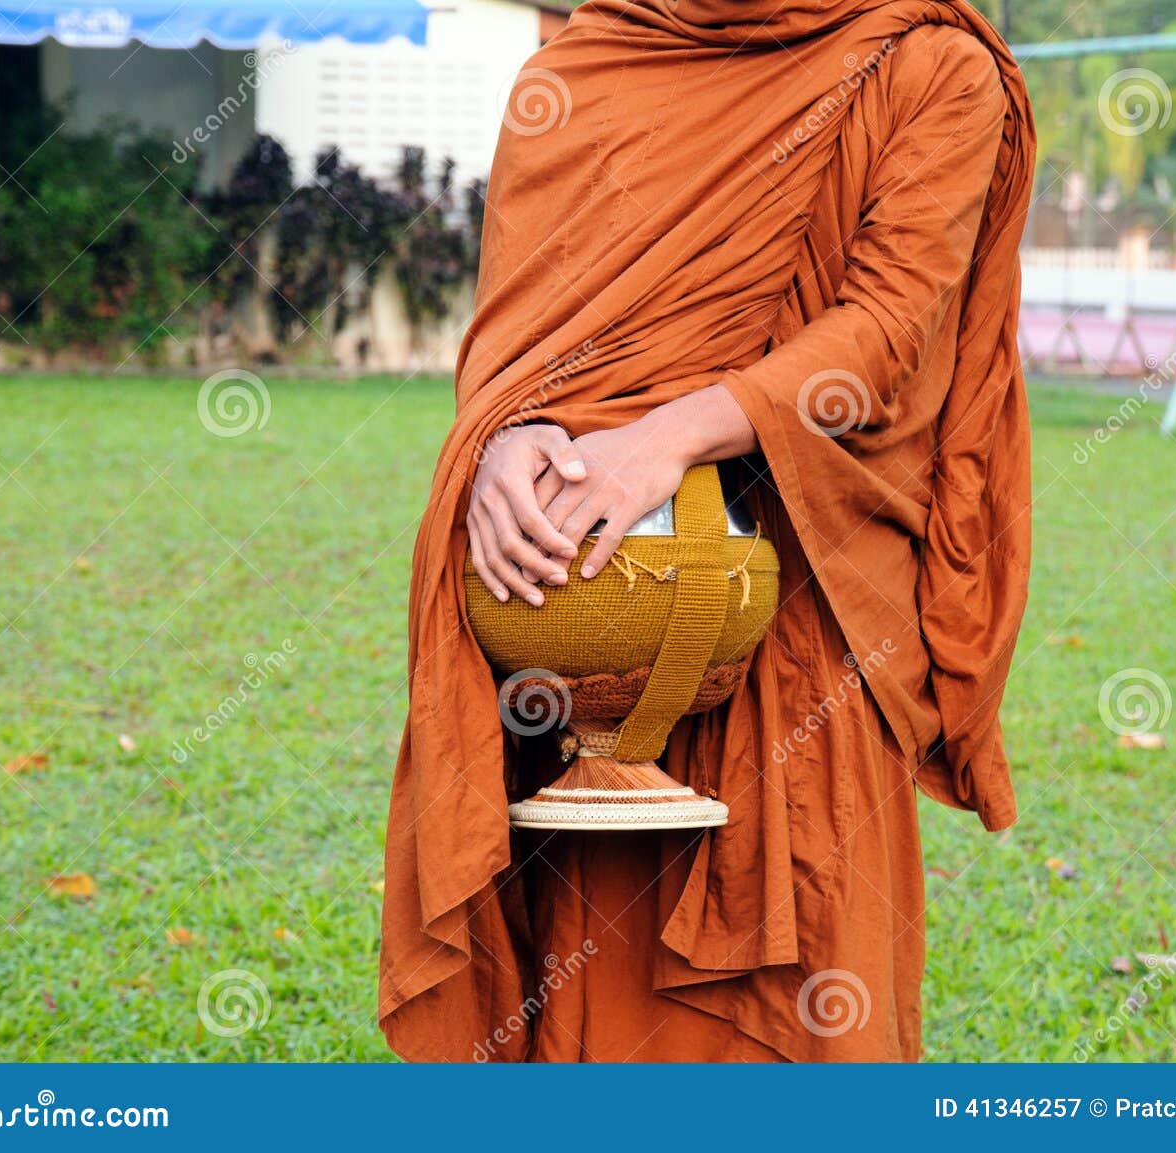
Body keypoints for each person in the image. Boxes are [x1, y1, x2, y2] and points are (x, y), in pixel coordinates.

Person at [380, 0, 1035, 1062]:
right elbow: (521, 330)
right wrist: (503, 435)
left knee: (813, 997)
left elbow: (887, 331)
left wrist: (671, 438)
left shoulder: (931, 68)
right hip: (592, 596)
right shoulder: (594, 57)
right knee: (598, 984)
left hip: (804, 595)